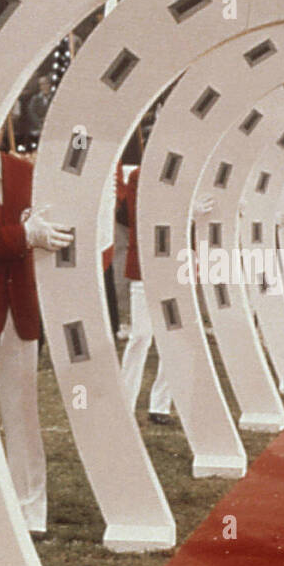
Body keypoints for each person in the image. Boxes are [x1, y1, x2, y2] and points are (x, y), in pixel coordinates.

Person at [0, 140, 72, 533]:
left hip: (20, 307)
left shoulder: (25, 173)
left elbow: (53, 226)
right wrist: (22, 236)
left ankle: (30, 512)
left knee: (23, 415)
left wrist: (44, 237)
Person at [116, 155, 173, 422]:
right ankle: (125, 402)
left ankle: (160, 405)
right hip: (144, 266)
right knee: (140, 335)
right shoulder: (139, 175)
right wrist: (184, 212)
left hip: (176, 265)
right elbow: (138, 218)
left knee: (173, 337)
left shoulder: (189, 173)